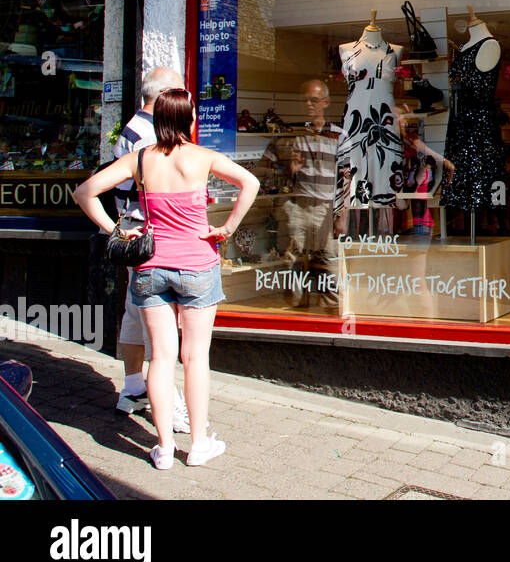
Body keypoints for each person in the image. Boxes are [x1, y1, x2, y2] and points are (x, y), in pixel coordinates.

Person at [75, 89, 260, 469]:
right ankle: (197, 444)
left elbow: (85, 192)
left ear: (157, 119)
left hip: (150, 267)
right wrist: (226, 228)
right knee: (195, 358)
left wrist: (117, 229)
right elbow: (250, 184)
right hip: (197, 265)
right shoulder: (203, 157)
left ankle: (162, 448)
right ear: (190, 120)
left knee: (160, 358)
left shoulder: (139, 159)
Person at [112, 66, 190, 433]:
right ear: (164, 97)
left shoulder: (132, 128)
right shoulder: (148, 136)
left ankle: (132, 389)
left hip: (132, 231)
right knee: (158, 319)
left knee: (135, 311)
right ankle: (169, 403)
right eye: (180, 92)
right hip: (150, 235)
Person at [254, 80, 344, 308]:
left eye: (314, 100)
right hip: (298, 205)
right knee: (293, 264)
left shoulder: (338, 136)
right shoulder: (291, 134)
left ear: (326, 103)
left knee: (329, 263)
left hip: (327, 207)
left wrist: (342, 213)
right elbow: (263, 168)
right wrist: (288, 171)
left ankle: (331, 316)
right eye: (305, 100)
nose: (308, 104)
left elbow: (349, 177)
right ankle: (296, 312)